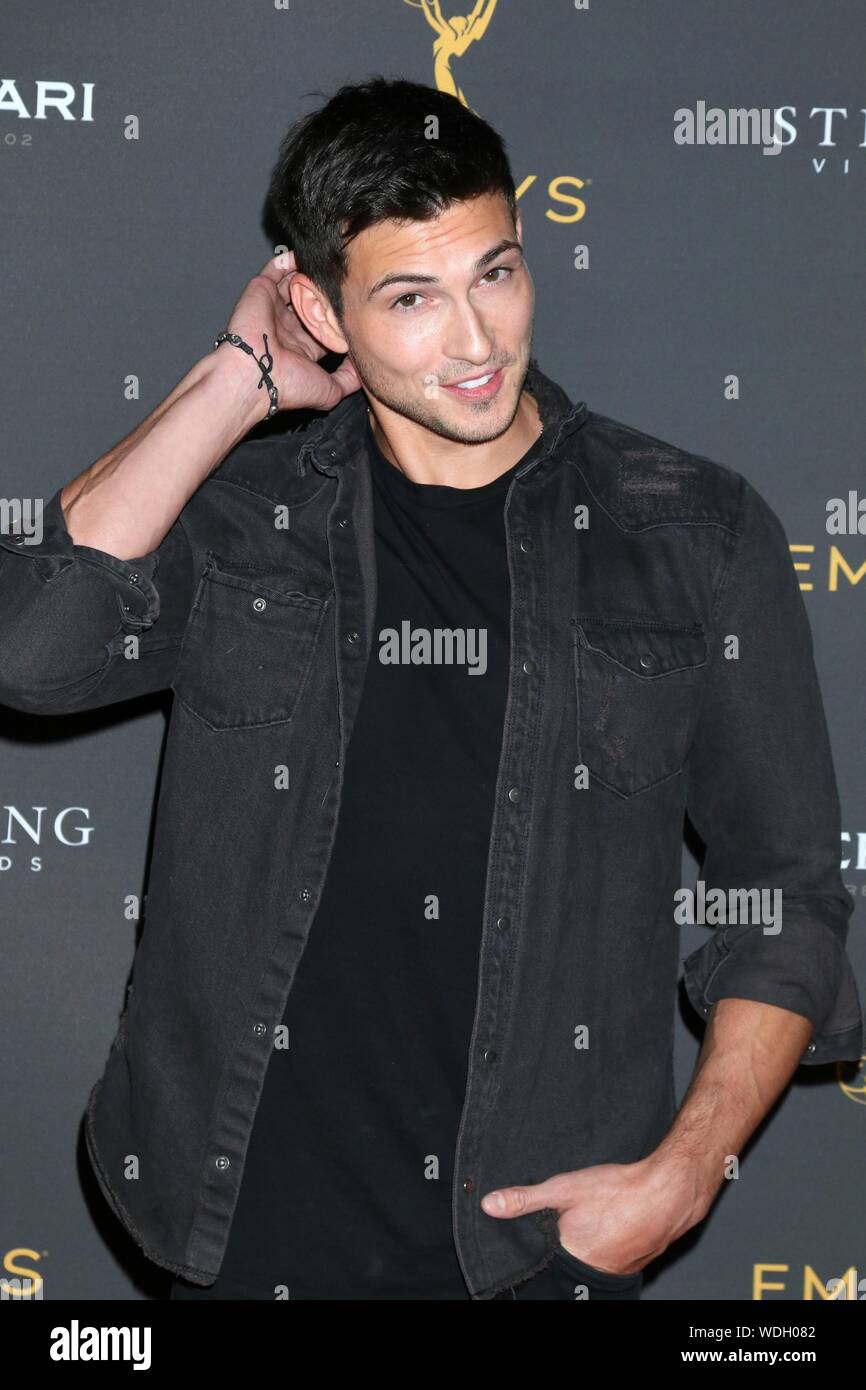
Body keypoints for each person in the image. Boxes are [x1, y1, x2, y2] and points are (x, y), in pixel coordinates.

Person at [0, 76, 861, 1303]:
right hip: (236, 1224)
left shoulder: (690, 535)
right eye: (410, 298)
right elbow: (32, 646)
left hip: (523, 1254)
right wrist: (238, 378)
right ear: (318, 304)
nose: (474, 343)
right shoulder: (250, 519)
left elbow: (783, 894)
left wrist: (683, 1172)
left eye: (494, 275)